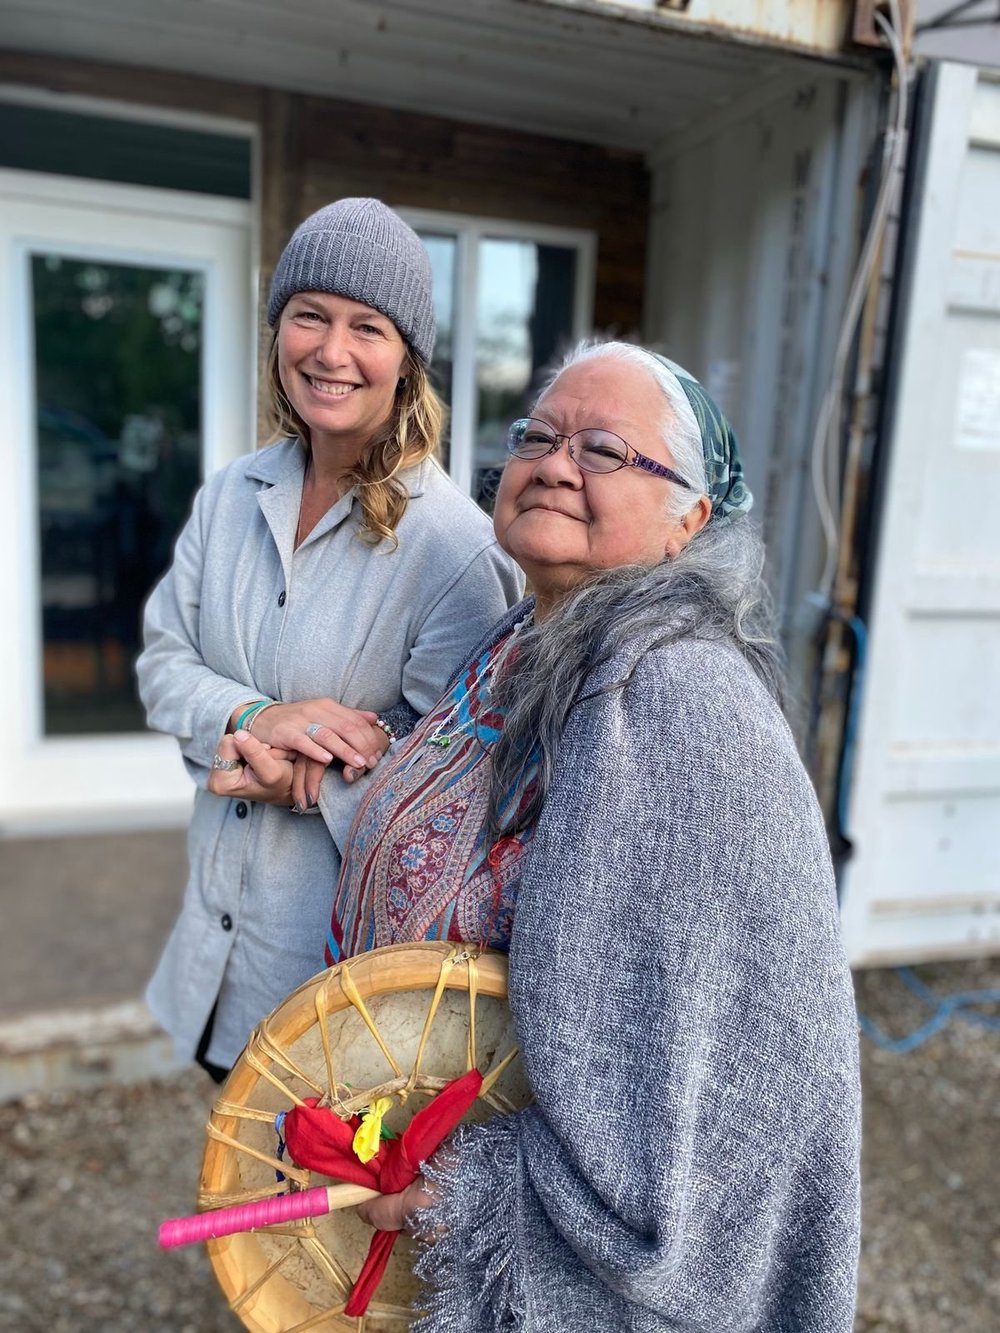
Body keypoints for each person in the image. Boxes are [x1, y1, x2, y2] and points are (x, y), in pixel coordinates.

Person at [212, 340, 861, 1330]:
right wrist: (319, 786)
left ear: (689, 517)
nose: (555, 463)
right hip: (394, 1157)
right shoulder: (528, 638)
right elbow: (474, 840)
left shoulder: (675, 695)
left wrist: (465, 1189)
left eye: (603, 449)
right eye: (538, 436)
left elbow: (703, 1109)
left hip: (475, 1220)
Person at [137, 198, 523, 1077]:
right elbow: (165, 664)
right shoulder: (230, 495)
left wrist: (303, 784)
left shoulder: (453, 550)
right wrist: (256, 714)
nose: (332, 350)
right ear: (277, 335)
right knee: (231, 1190)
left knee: (299, 1209)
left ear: (407, 359)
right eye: (309, 315)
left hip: (330, 987)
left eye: (367, 326)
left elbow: (460, 795)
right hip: (216, 954)